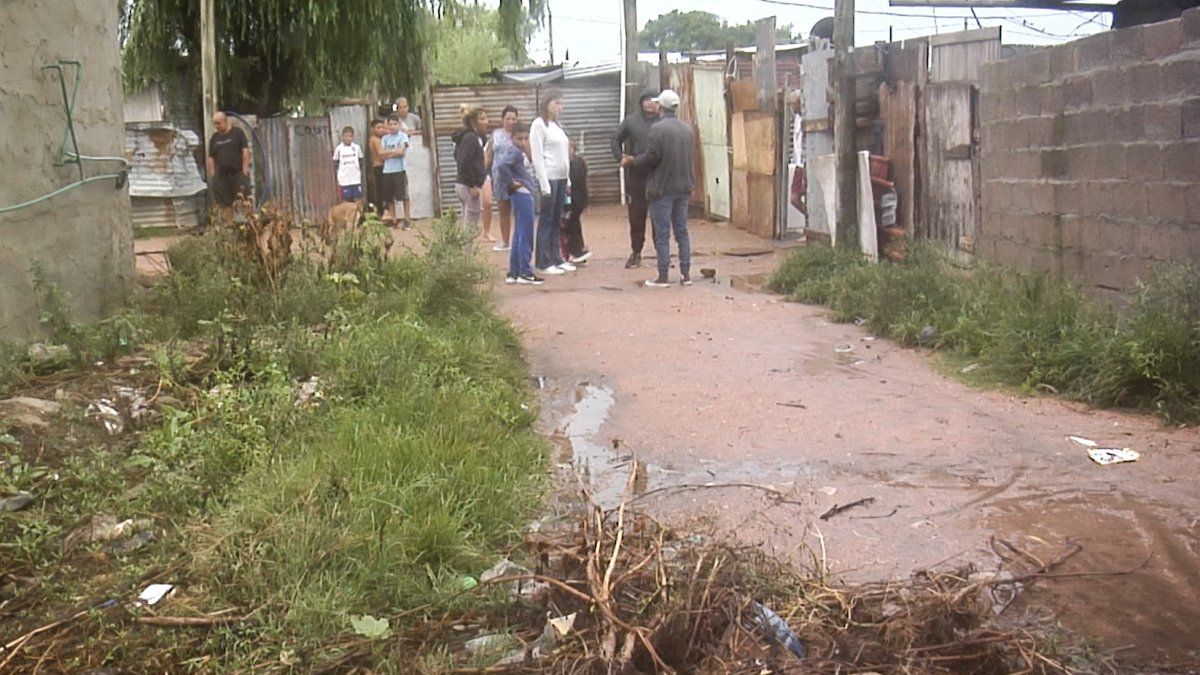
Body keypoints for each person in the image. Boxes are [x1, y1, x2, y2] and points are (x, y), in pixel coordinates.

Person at [621, 90, 694, 288]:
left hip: (662, 188)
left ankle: (663, 276)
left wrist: (633, 160)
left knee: (662, 233)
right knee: (681, 231)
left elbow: (652, 157)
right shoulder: (687, 129)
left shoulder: (657, 129)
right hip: (684, 187)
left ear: (661, 107)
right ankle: (686, 275)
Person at [612, 91, 661, 268]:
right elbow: (615, 139)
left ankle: (661, 253)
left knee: (659, 215)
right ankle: (636, 252)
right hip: (637, 174)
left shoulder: (663, 121)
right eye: (646, 100)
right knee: (637, 215)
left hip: (658, 174)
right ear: (641, 102)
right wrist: (621, 158)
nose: (649, 103)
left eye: (653, 100)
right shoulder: (631, 121)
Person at [494, 123, 543, 285]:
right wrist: (512, 182)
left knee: (518, 233)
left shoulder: (518, 151)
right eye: (519, 138)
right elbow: (501, 166)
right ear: (511, 138)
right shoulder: (514, 152)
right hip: (523, 194)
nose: (522, 142)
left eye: (525, 138)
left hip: (521, 193)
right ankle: (525, 271)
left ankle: (514, 271)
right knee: (526, 232)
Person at [530, 90, 573, 276]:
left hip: (562, 178)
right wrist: (544, 183)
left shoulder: (557, 125)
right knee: (547, 220)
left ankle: (557, 257)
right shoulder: (539, 125)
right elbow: (537, 155)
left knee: (557, 219)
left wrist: (568, 179)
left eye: (561, 104)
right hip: (549, 178)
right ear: (546, 103)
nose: (559, 107)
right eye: (556, 103)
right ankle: (543, 260)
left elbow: (564, 155)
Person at [483, 105, 519, 251]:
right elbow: (489, 154)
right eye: (508, 118)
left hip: (517, 179)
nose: (510, 121)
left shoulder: (520, 135)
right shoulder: (495, 135)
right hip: (499, 180)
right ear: (502, 120)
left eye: (513, 119)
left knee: (520, 212)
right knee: (503, 212)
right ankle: (505, 242)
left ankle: (519, 241)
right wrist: (483, 174)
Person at [206, 111, 251, 222]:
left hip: (237, 173)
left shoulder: (237, 133)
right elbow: (211, 158)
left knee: (244, 200)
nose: (216, 126)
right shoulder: (215, 138)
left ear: (225, 121)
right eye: (214, 124)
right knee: (226, 204)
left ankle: (249, 225)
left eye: (218, 123)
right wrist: (213, 175)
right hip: (222, 176)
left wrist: (245, 170)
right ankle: (230, 228)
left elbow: (245, 152)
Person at [452, 105, 488, 240]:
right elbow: (464, 161)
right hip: (468, 186)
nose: (486, 122)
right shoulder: (471, 138)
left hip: (463, 184)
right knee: (470, 226)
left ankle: (465, 255)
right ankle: (467, 258)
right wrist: (472, 184)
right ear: (474, 122)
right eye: (482, 119)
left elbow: (457, 156)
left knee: (468, 222)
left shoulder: (468, 137)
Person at [378, 114, 410, 228]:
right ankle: (394, 219)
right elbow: (381, 154)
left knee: (404, 196)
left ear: (399, 124)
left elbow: (401, 152)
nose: (392, 126)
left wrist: (389, 153)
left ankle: (407, 219)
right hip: (388, 171)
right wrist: (393, 153)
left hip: (400, 170)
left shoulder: (403, 136)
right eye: (390, 124)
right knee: (389, 197)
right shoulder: (384, 138)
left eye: (395, 124)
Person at [562, 142, 591, 263]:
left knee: (572, 225)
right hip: (576, 200)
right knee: (573, 224)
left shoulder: (575, 164)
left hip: (575, 200)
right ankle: (577, 249)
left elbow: (575, 181)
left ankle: (576, 250)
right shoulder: (574, 162)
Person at [332, 125, 364, 204]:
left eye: (350, 136)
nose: (348, 138)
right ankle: (346, 215)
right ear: (342, 136)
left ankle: (358, 215)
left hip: (355, 178)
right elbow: (335, 162)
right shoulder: (339, 149)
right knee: (345, 199)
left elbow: (361, 160)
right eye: (346, 136)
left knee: (358, 198)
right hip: (344, 179)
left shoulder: (356, 147)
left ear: (353, 137)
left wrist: (357, 169)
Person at [789, 90, 808, 216]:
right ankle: (810, 216)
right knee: (794, 199)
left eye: (794, 104)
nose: (793, 107)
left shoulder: (807, 118)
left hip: (806, 163)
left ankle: (813, 222)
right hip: (799, 164)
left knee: (809, 194)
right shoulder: (796, 119)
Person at [367, 118, 387, 217]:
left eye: (382, 127)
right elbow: (381, 154)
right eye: (378, 127)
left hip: (377, 167)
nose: (381, 129)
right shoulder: (376, 140)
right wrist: (394, 153)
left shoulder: (373, 139)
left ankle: (380, 212)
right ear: (372, 129)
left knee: (380, 190)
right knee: (382, 191)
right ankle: (382, 212)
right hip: (380, 166)